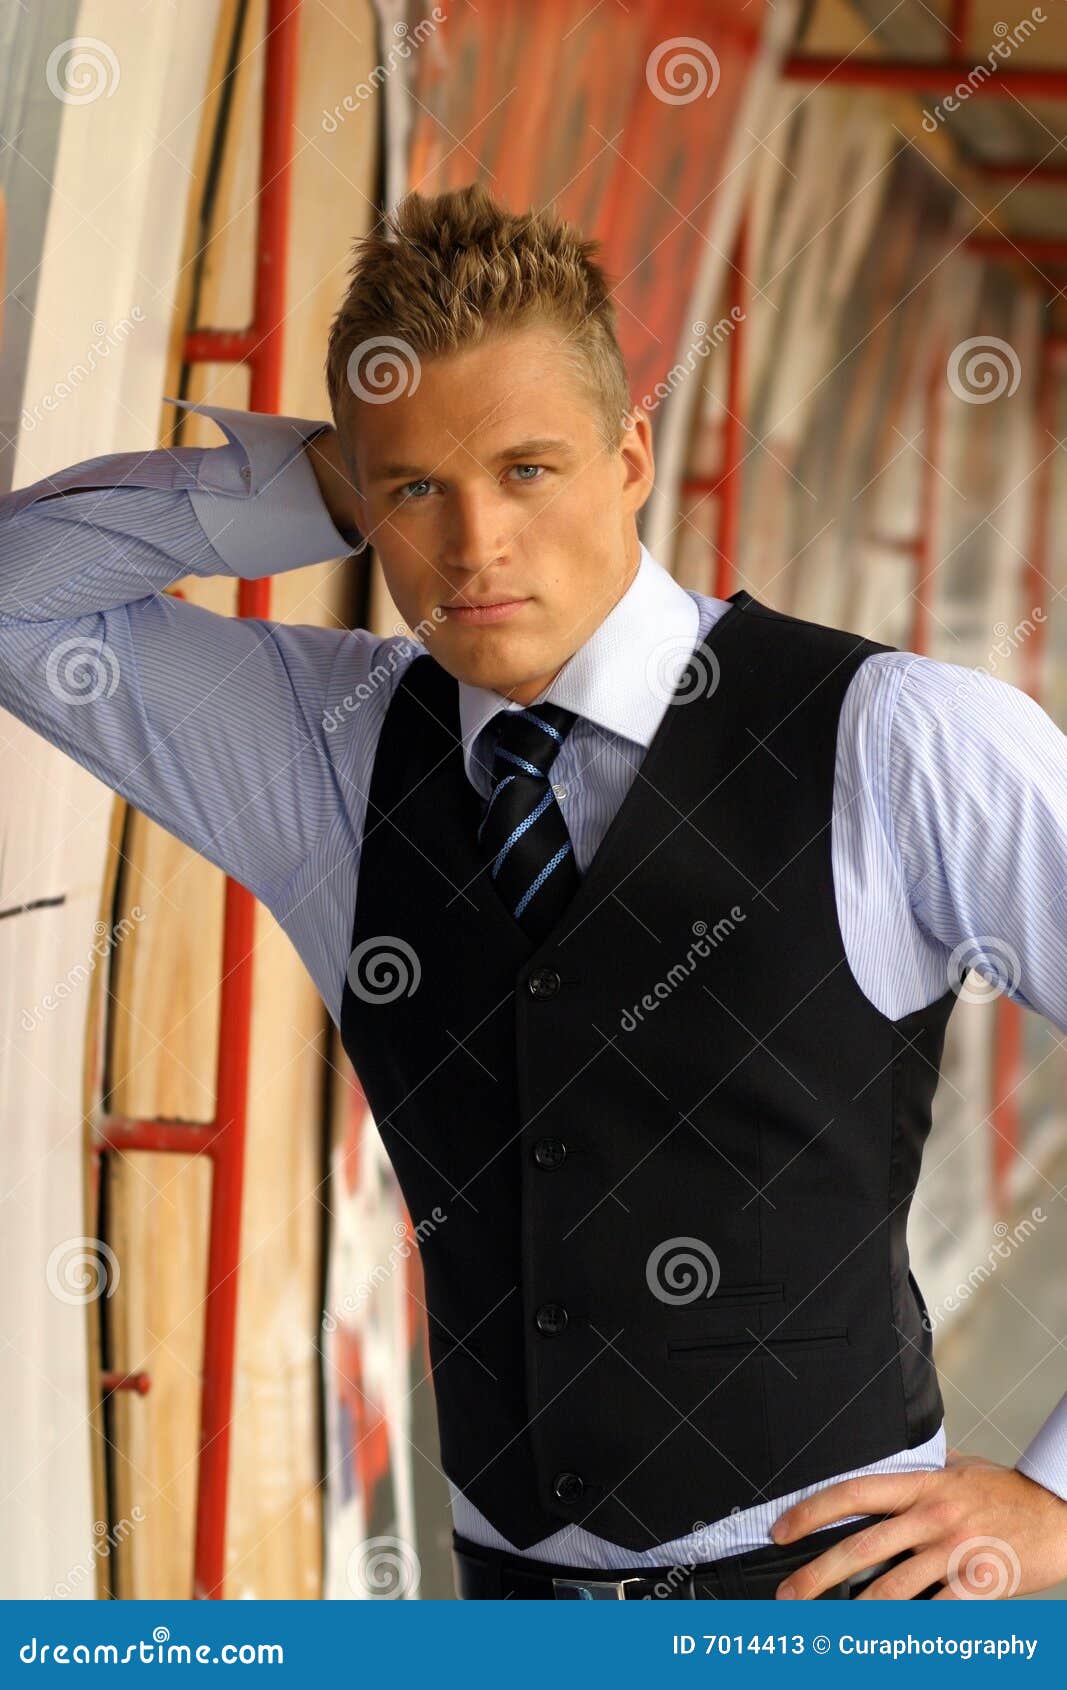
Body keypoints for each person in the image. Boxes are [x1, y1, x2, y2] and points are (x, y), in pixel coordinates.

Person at [2, 182, 1067, 1601]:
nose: (476, 546)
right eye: (416, 492)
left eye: (527, 468)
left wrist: (1056, 1498)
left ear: (633, 453)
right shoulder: (328, 752)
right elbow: (22, 599)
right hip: (502, 1596)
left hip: (836, 1598)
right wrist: (317, 477)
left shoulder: (896, 737)